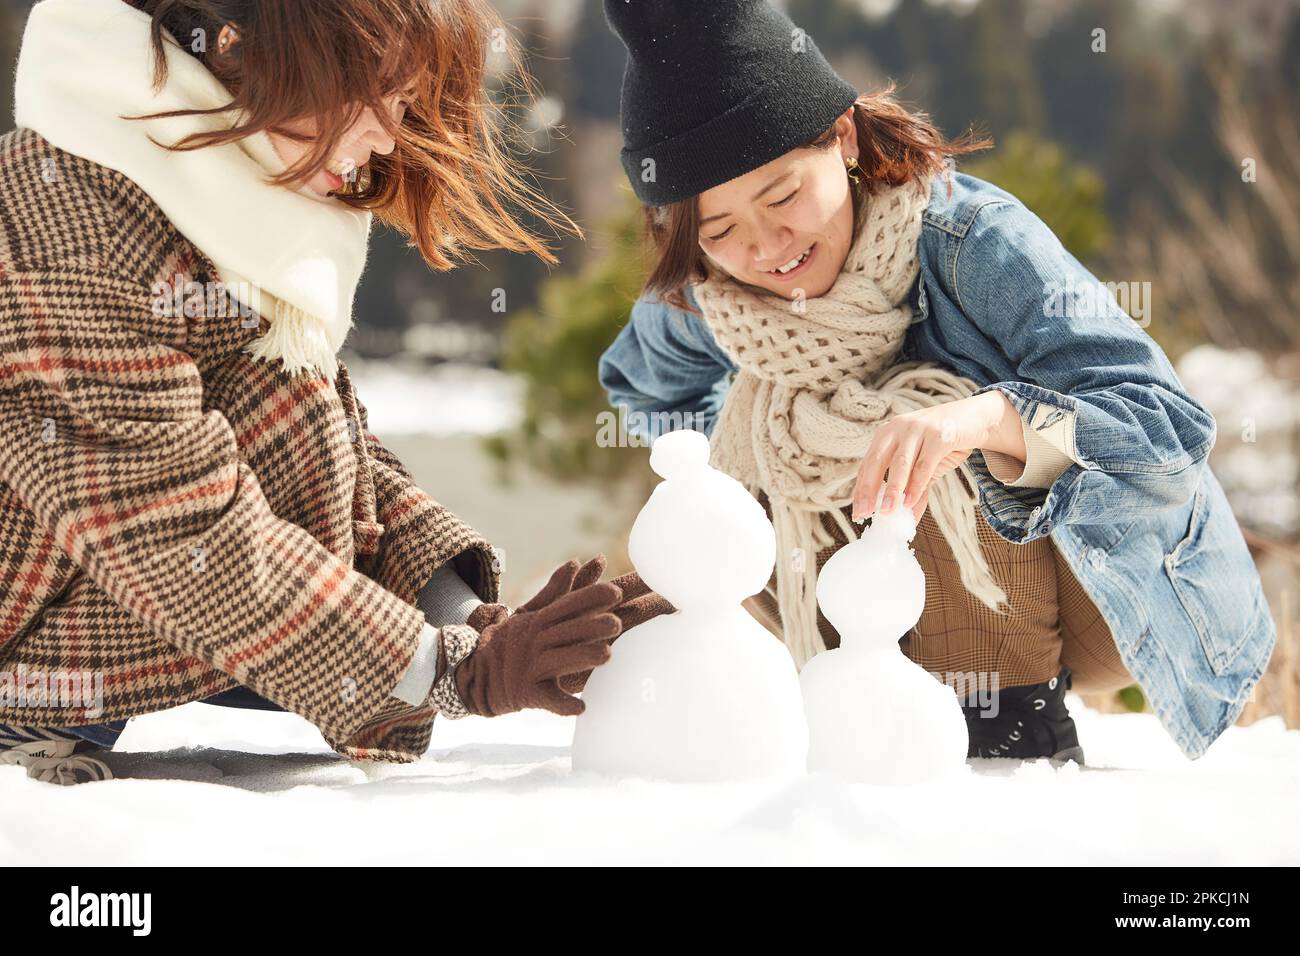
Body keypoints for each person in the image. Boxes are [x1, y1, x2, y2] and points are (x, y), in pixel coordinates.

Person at [0, 0, 668, 786]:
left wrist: (470, 623)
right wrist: (452, 670)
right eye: (376, 94)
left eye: (403, 105)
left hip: (163, 605)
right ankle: (27, 725)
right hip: (38, 637)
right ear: (245, 50)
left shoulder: (228, 192)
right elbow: (172, 527)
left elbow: (326, 442)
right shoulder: (71, 221)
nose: (389, 136)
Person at [596, 0, 1275, 764]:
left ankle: (1011, 737)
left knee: (940, 434)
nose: (764, 247)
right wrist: (749, 468)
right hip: (870, 610)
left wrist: (986, 421)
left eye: (783, 196)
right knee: (750, 474)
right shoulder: (711, 300)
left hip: (1103, 588)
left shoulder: (973, 241)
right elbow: (650, 399)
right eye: (718, 230)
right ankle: (858, 719)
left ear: (844, 139)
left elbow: (1166, 429)